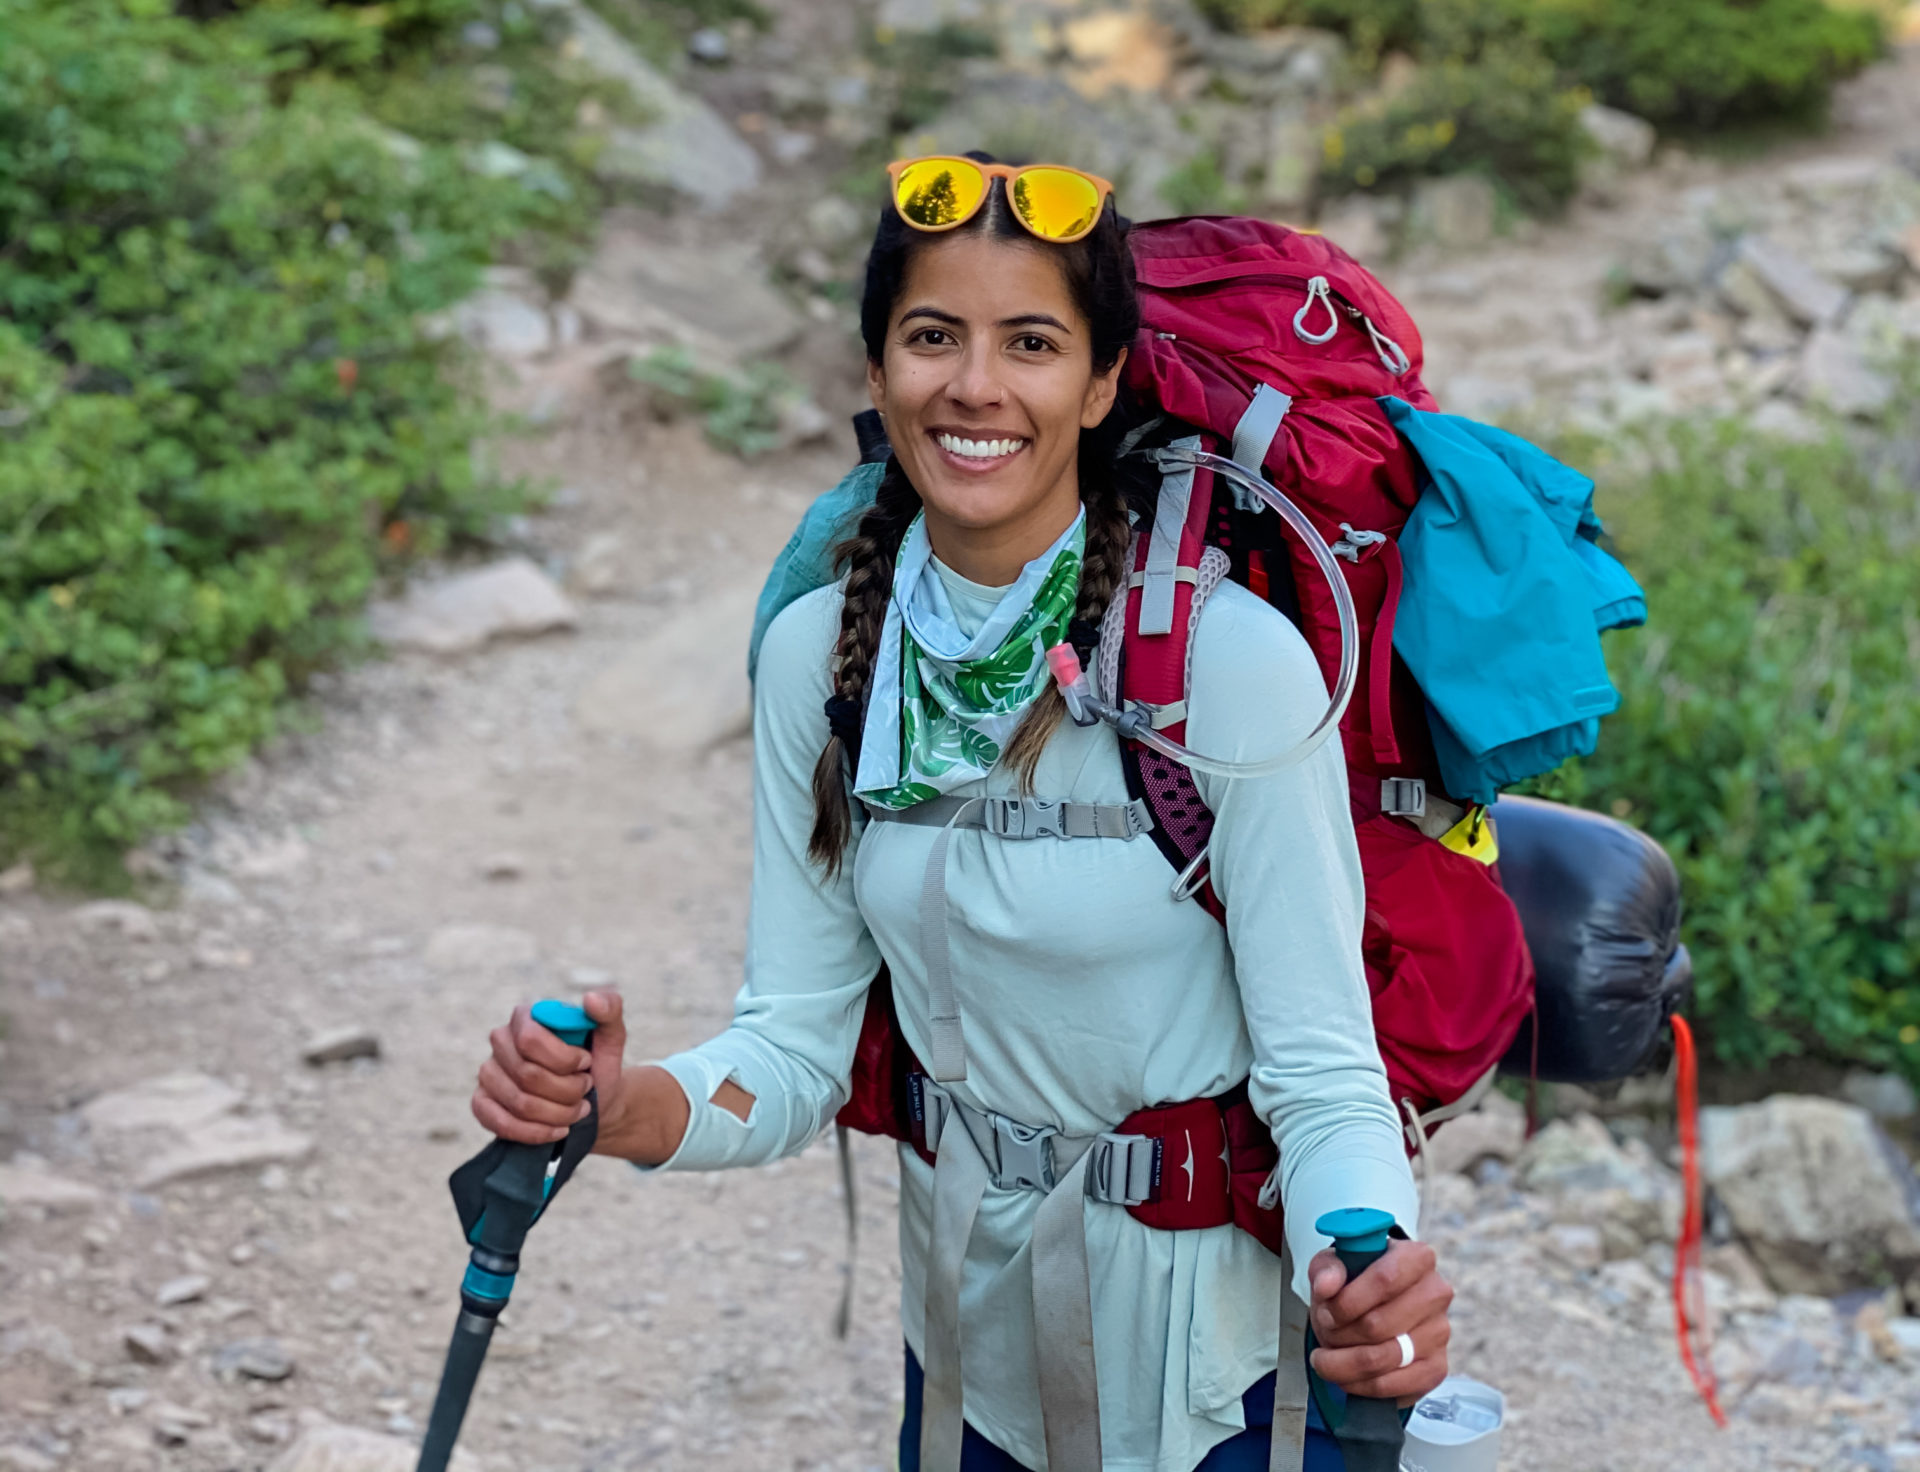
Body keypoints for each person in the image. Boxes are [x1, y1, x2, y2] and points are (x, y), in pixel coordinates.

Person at [470, 156, 1454, 1472]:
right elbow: (794, 1053)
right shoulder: (820, 657)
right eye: (932, 336)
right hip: (969, 1373)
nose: (976, 386)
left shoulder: (1227, 668)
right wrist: (618, 1107)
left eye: (1032, 343)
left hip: (1229, 1392)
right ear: (876, 372)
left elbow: (1324, 1077)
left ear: (1103, 383)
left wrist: (1365, 1256)